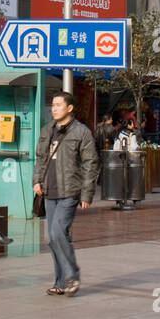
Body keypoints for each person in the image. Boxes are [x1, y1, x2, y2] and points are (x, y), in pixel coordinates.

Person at [33, 92, 98, 297]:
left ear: (70, 108)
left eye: (59, 105)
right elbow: (40, 158)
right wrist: (37, 180)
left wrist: (87, 194)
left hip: (70, 190)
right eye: (52, 105)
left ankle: (72, 276)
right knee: (53, 238)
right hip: (49, 190)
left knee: (57, 232)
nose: (54, 108)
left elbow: (91, 164)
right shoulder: (47, 130)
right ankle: (61, 283)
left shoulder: (81, 132)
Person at [111, 116, 143, 211]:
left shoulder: (119, 133)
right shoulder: (131, 134)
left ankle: (119, 198)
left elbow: (115, 147)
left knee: (120, 179)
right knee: (131, 179)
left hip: (119, 159)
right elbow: (133, 147)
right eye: (132, 123)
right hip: (129, 159)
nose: (133, 125)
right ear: (129, 125)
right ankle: (133, 197)